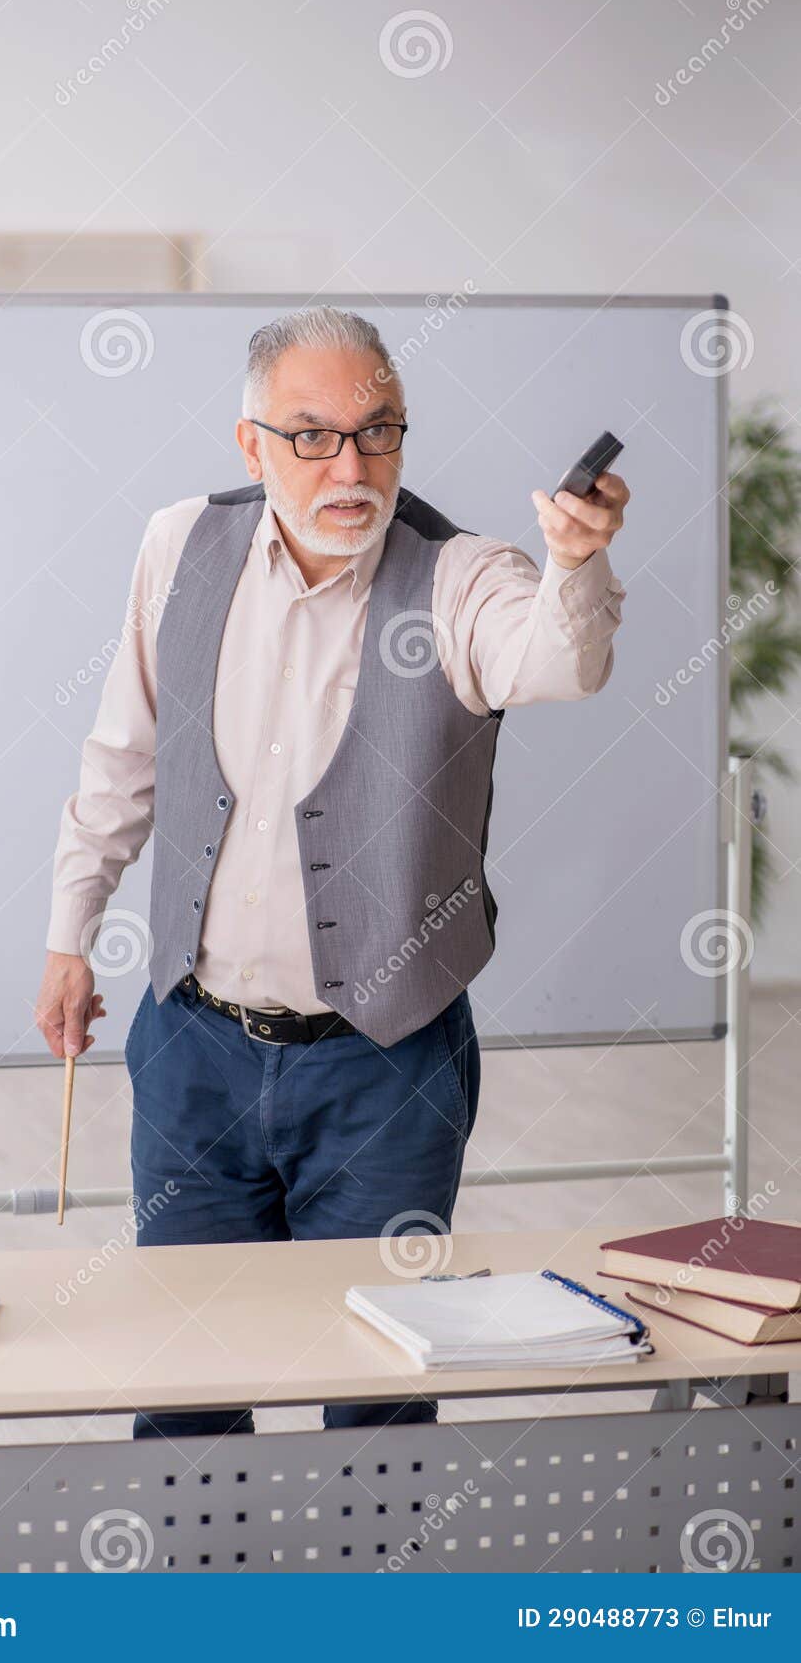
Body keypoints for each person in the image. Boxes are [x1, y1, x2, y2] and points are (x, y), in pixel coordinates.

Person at [35, 305, 629, 1440]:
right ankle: (195, 1563)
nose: (350, 468)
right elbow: (123, 754)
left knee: (379, 1399)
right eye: (312, 436)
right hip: (192, 1049)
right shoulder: (179, 544)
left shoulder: (463, 574)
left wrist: (575, 562)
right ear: (252, 444)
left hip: (385, 1067)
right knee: (187, 1388)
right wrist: (72, 934)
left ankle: (375, 1568)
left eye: (378, 431)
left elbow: (558, 660)